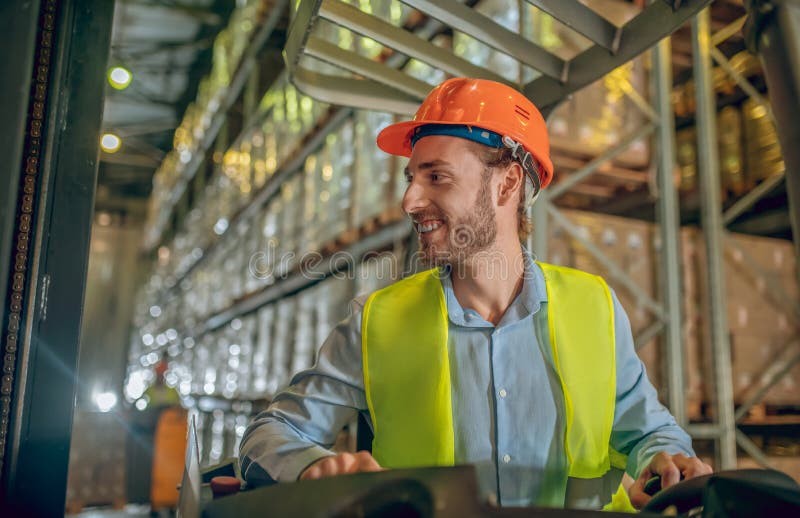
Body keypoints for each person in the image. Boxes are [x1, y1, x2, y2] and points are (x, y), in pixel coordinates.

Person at [239, 78, 711, 510]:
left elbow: (651, 431)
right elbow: (268, 433)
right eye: (411, 179)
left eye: (436, 177)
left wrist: (666, 458)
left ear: (506, 183)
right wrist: (312, 467)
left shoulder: (595, 308)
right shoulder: (379, 320)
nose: (410, 202)